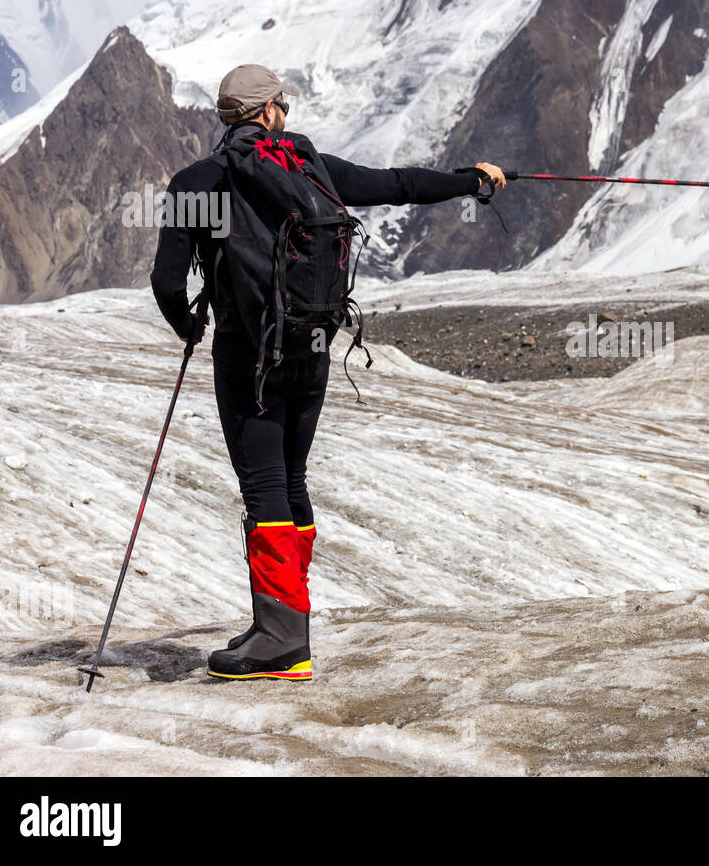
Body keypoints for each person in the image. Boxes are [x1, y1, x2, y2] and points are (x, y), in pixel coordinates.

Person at [151, 64, 504, 682]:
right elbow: (397, 184)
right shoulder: (311, 167)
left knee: (263, 487)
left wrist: (188, 326)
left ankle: (283, 639)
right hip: (312, 347)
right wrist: (469, 181)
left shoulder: (198, 182)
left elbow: (165, 280)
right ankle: (281, 624)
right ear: (266, 112)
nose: (286, 111)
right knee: (290, 477)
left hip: (249, 358)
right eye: (281, 102)